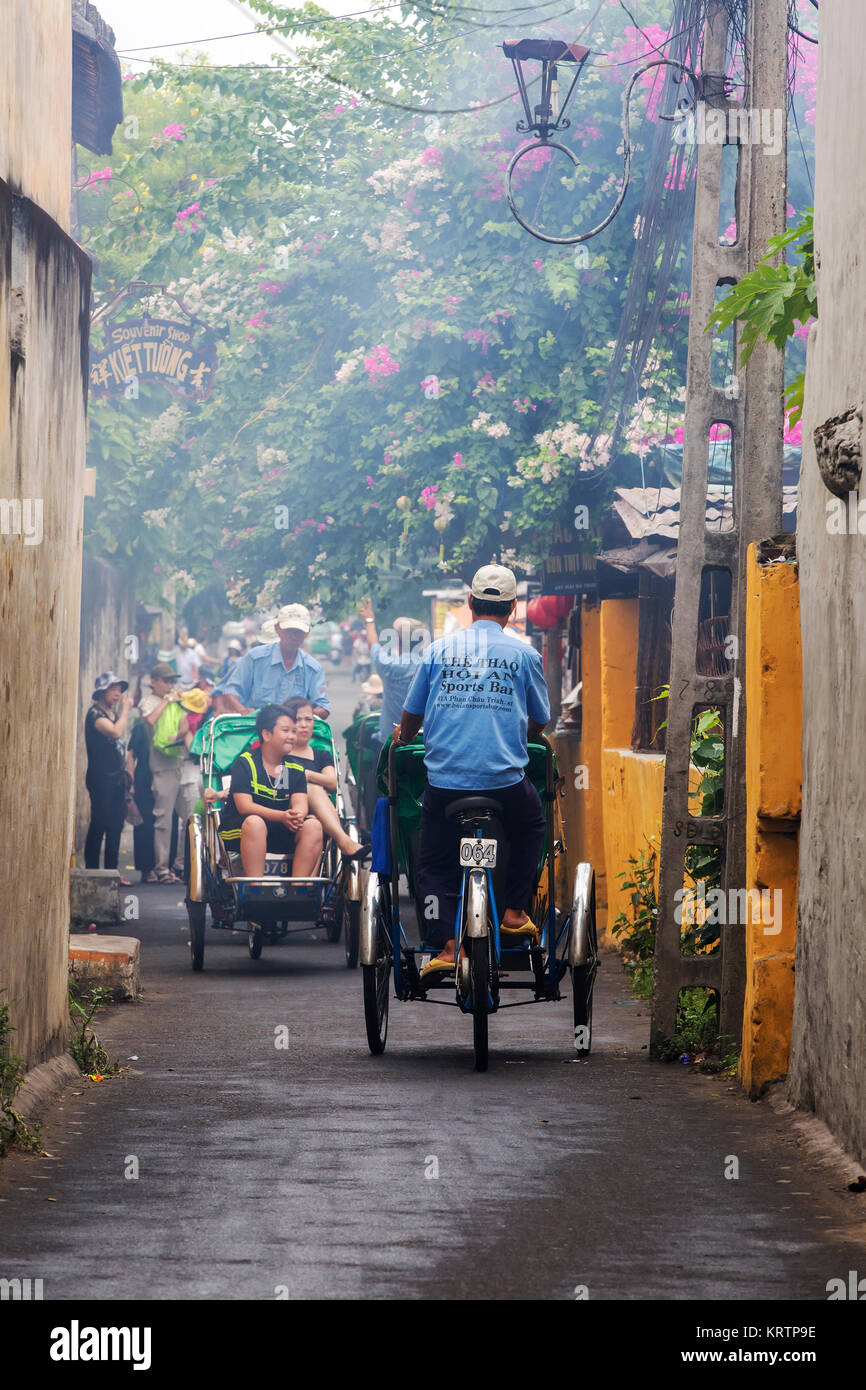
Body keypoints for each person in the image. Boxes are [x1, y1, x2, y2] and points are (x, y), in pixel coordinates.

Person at [393, 564, 551, 979]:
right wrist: (523, 735)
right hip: (505, 785)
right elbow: (540, 718)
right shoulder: (524, 654)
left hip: (445, 786)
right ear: (513, 607)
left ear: (470, 603)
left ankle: (447, 945)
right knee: (532, 825)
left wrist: (403, 734)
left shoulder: (438, 651)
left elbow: (411, 717)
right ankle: (514, 911)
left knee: (434, 864)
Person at [217, 704, 321, 880]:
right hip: (242, 830)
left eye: (293, 732)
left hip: (280, 828)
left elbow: (300, 803)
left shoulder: (295, 768)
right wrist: (282, 816)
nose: (292, 737)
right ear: (266, 734)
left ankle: (298, 892)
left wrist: (296, 816)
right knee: (255, 823)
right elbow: (245, 806)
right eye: (286, 730)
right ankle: (254, 891)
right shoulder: (246, 762)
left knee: (313, 826)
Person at [281, 697, 369, 862]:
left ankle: (305, 886)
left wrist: (306, 774)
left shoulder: (321, 755)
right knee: (311, 788)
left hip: (317, 817)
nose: (304, 724)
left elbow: (332, 783)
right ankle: (344, 841)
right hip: (285, 810)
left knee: (314, 806)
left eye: (308, 719)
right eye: (297, 719)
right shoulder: (279, 752)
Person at [211, 604, 330, 718]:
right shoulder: (254, 658)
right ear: (277, 629)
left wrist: (309, 714)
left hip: (295, 731)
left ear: (307, 633)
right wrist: (243, 711)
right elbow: (232, 690)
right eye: (289, 631)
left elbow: (323, 706)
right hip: (255, 727)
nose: (293, 636)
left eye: (298, 632)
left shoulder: (312, 668)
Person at [138, 662, 199, 884]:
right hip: (162, 767)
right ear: (154, 681)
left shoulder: (176, 703)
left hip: (180, 763)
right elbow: (151, 720)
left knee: (191, 818)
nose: (170, 685)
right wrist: (167, 701)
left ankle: (180, 864)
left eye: (172, 681)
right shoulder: (149, 701)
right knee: (163, 820)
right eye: (166, 681)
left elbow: (184, 728)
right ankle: (162, 868)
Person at [84, 671, 134, 883]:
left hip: (116, 779)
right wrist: (125, 710)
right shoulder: (95, 715)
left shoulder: (113, 715)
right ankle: (93, 872)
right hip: (100, 779)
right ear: (101, 692)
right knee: (99, 823)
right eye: (112, 689)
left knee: (115, 825)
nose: (117, 693)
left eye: (119, 689)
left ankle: (112, 872)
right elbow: (115, 732)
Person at [358, 598, 426, 745]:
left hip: (390, 742)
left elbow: (373, 644)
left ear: (397, 640)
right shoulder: (431, 665)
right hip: (424, 742)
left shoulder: (389, 665)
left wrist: (369, 620)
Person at [126, 716, 157, 883]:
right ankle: (145, 869)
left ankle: (166, 867)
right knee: (144, 824)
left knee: (166, 823)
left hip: (165, 777)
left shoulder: (174, 721)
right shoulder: (141, 727)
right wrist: (130, 783)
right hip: (143, 779)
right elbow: (131, 755)